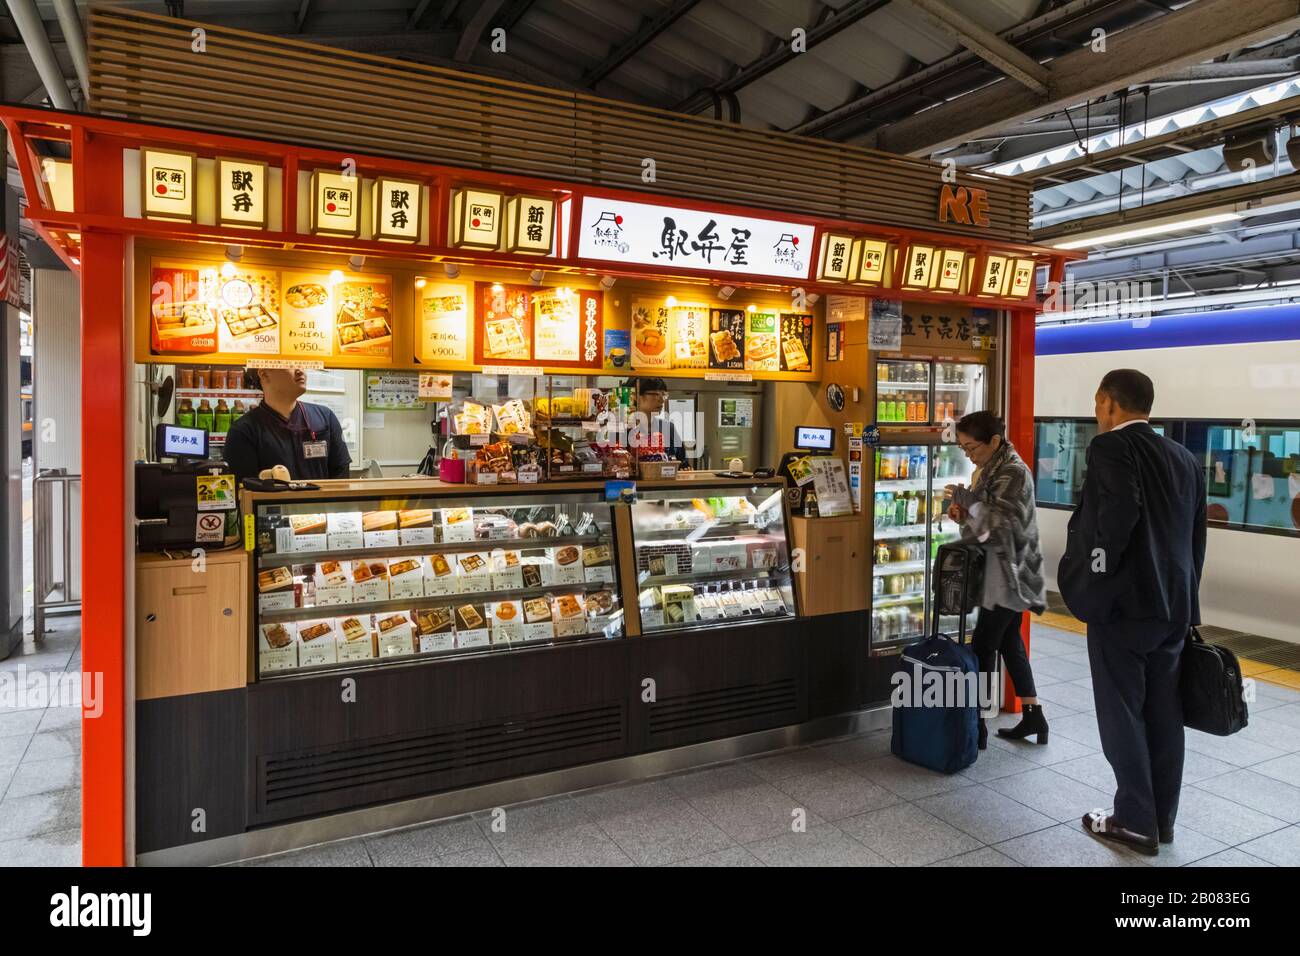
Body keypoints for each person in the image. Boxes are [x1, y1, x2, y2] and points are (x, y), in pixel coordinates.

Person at [1058, 369, 1206, 857]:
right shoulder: (1183, 457)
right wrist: (1188, 607)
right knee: (1165, 713)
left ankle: (1134, 822)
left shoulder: (1109, 448)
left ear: (1107, 403)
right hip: (1174, 611)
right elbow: (1194, 541)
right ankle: (1161, 820)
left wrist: (1096, 582)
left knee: (1121, 713)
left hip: (1124, 610)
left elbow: (1116, 520)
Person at [945, 411, 1048, 750]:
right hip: (999, 570)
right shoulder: (989, 469)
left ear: (993, 441)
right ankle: (1034, 715)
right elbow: (981, 525)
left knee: (983, 647)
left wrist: (967, 502)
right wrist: (963, 512)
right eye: (963, 449)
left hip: (1010, 574)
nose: (969, 455)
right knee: (1009, 643)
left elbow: (999, 524)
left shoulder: (1013, 472)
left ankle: (978, 724)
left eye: (972, 447)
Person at [223, 366, 352, 484]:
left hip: (322, 508)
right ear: (264, 373)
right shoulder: (243, 430)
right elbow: (245, 490)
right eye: (291, 365)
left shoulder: (325, 417)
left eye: (302, 364)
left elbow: (341, 473)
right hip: (272, 509)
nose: (300, 370)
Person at [625, 377, 687, 464]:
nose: (661, 400)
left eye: (663, 394)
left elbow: (683, 463)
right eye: (655, 394)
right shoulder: (623, 430)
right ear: (635, 396)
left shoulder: (668, 428)